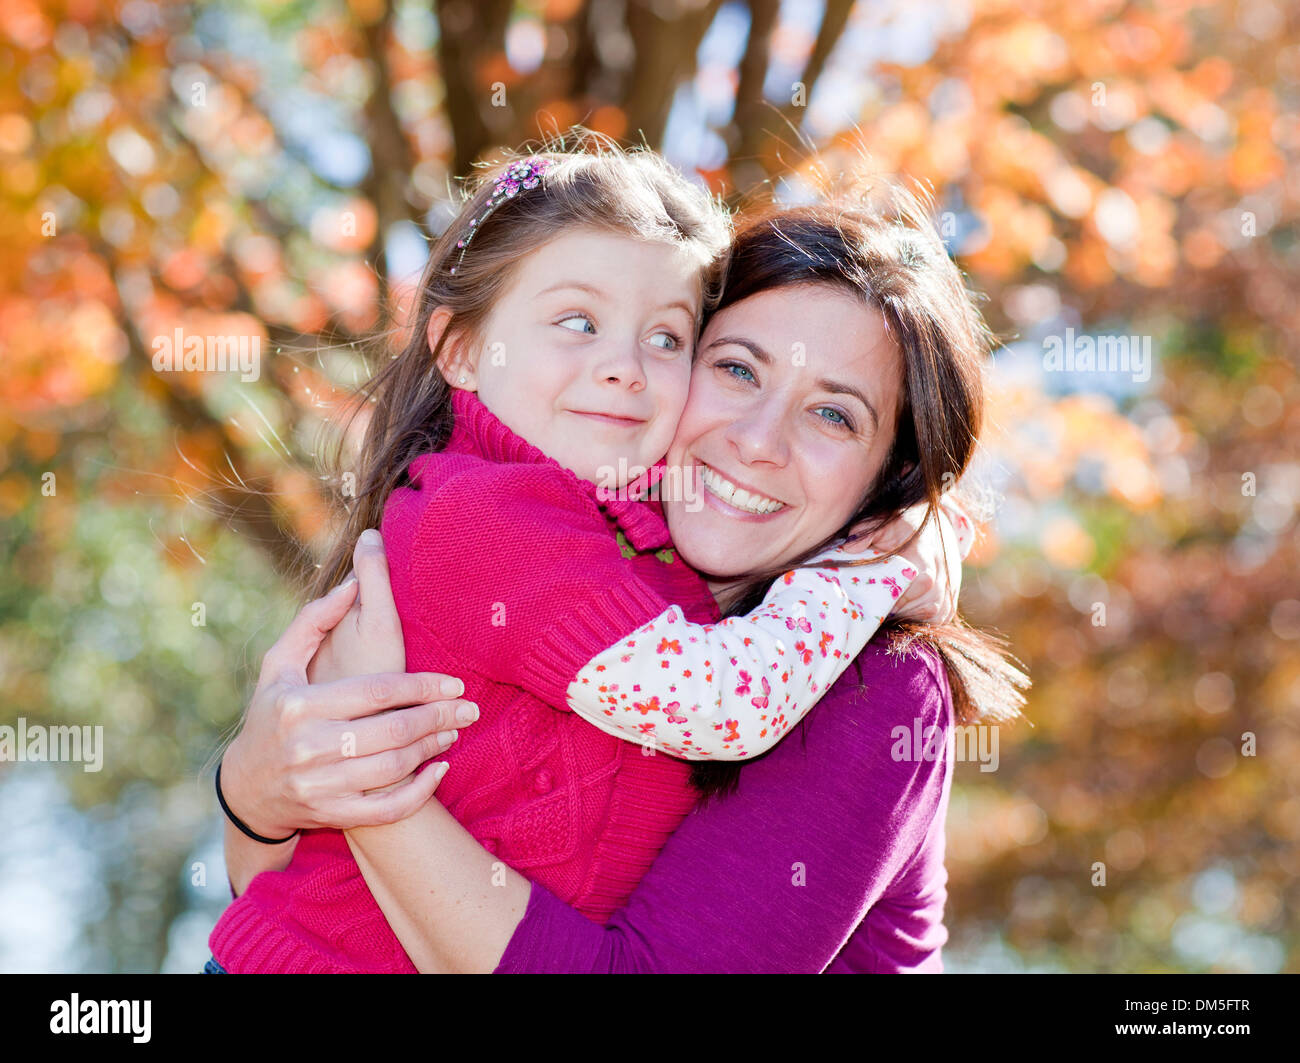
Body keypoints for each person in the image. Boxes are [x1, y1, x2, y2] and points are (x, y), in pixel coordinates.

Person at [212, 165, 1026, 973]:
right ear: (458, 349)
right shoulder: (514, 535)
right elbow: (283, 893)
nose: (758, 440)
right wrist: (254, 784)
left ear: (890, 475)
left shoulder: (873, 686)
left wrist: (370, 786)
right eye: (738, 368)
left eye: (833, 414)